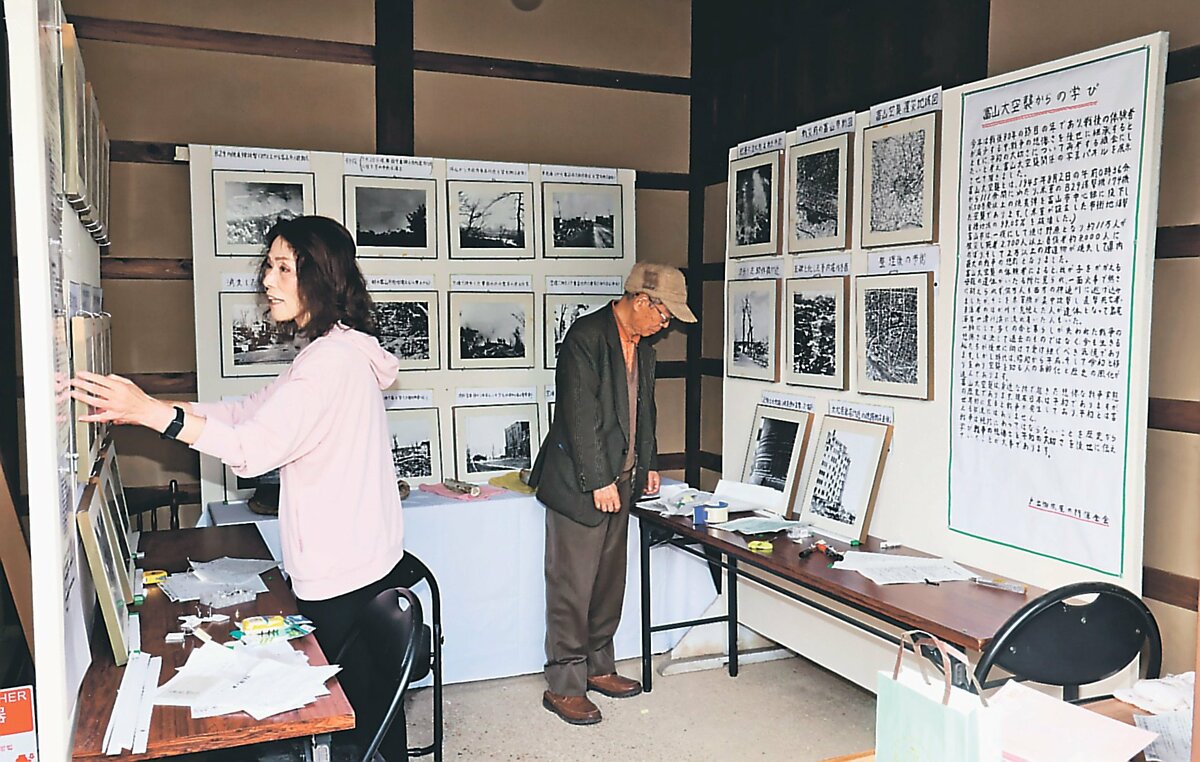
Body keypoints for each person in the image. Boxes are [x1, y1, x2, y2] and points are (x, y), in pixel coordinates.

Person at [71, 215, 413, 758]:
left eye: (283, 268)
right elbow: (244, 411)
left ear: (320, 277)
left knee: (357, 727)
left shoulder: (327, 366)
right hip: (359, 561)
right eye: (268, 266)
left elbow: (254, 449)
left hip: (345, 573)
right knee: (368, 719)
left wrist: (156, 414)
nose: (268, 281)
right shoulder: (333, 350)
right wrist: (150, 411)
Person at [530, 262, 697, 725]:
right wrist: (599, 480)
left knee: (607, 583)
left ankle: (599, 666)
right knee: (572, 587)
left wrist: (648, 465)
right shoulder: (585, 337)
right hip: (581, 483)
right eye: (663, 316)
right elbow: (578, 416)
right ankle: (564, 684)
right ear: (643, 301)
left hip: (620, 482)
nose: (665, 327)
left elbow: (644, 410)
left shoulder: (642, 348)